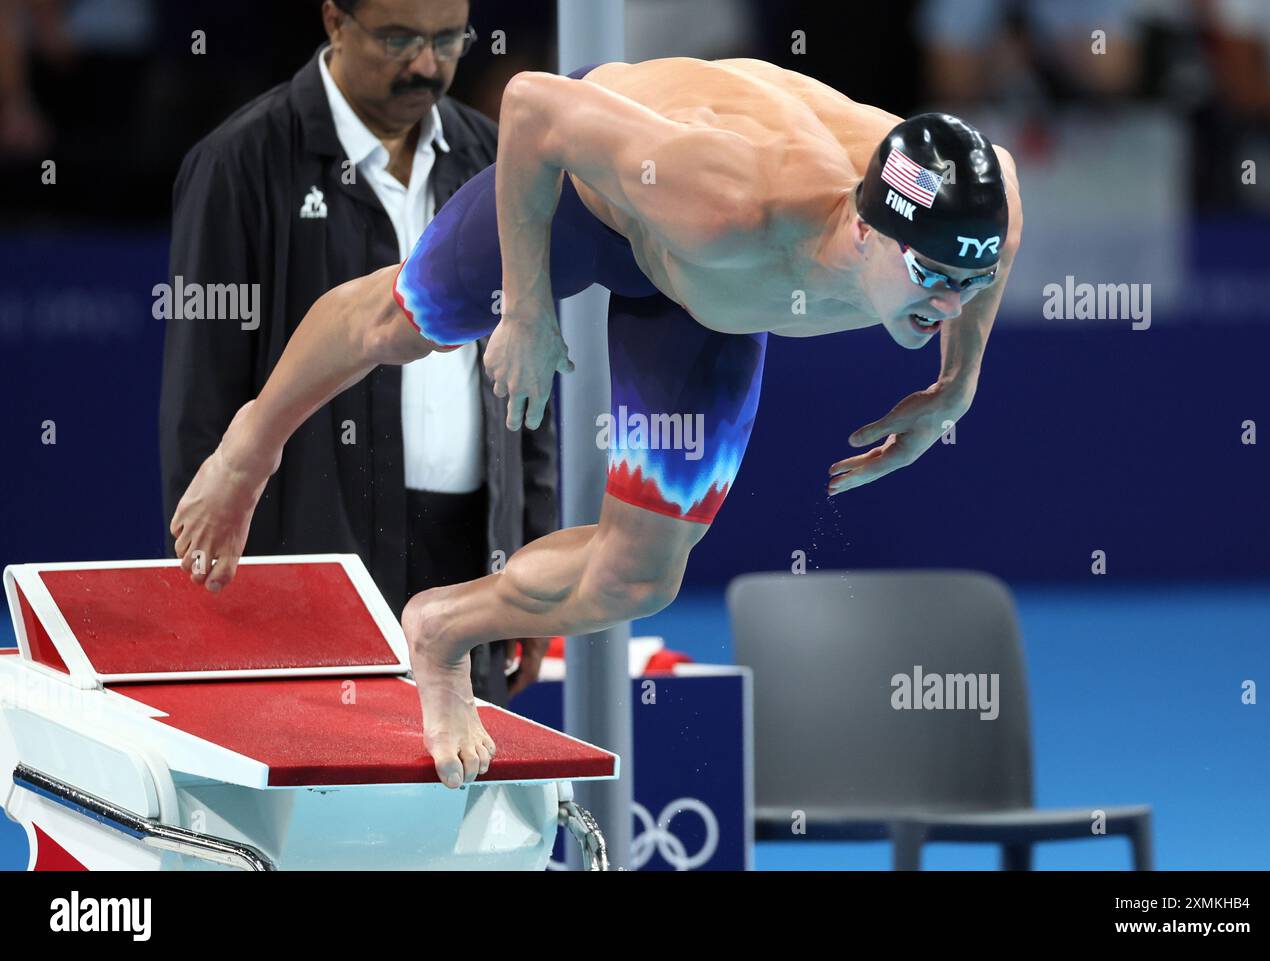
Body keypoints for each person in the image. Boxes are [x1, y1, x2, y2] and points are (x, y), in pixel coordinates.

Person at [170, 56, 1024, 789]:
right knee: (399, 325)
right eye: (932, 275)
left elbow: (1006, 197)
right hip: (590, 201)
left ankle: (438, 628)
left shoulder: (982, 214)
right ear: (869, 231)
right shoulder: (731, 195)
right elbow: (533, 107)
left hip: (707, 299)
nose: (948, 301)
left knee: (639, 579)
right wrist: (529, 310)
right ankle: (252, 443)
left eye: (968, 282)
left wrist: (956, 386)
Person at [160, 0, 557, 706]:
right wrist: (206, 586)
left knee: (461, 796)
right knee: (326, 801)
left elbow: (530, 378)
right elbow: (202, 396)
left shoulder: (497, 159)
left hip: (471, 552)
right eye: (399, 40)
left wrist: (532, 567)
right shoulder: (239, 163)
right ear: (335, 22)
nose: (427, 66)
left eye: (447, 40)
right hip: (308, 553)